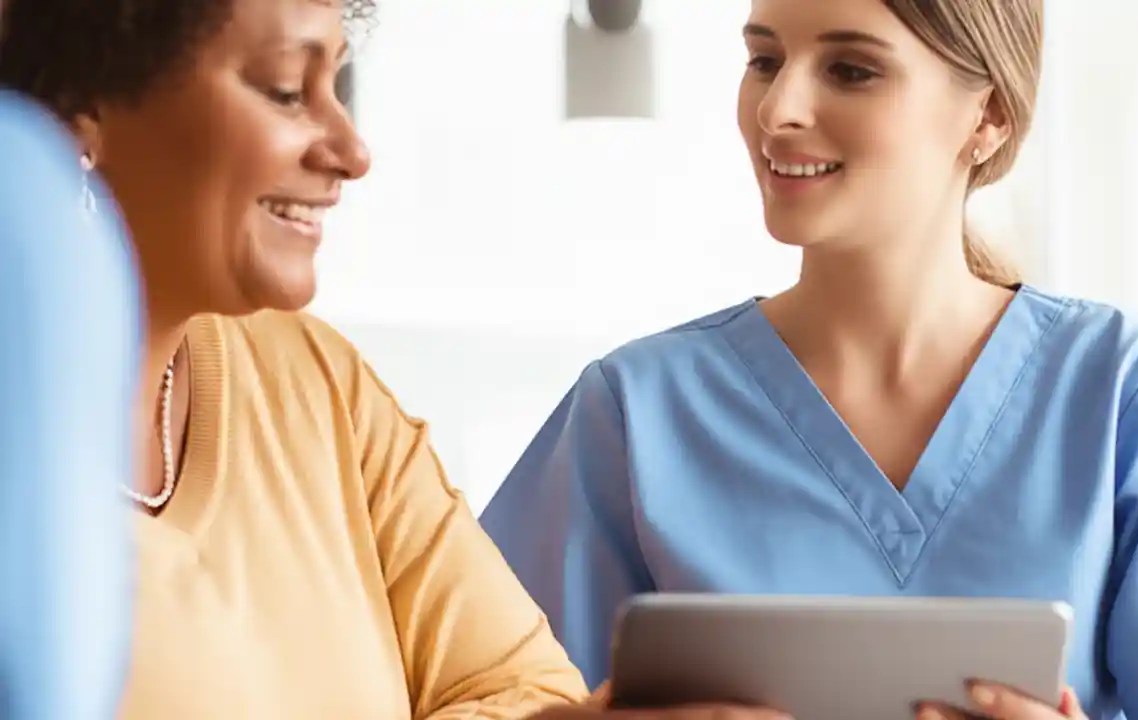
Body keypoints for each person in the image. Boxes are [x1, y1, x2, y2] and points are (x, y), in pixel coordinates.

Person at [479, 1, 1138, 718]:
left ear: (989, 116)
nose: (779, 109)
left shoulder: (1122, 390)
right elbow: (485, 694)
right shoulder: (633, 411)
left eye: (851, 70)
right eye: (764, 60)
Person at [0, 3, 791, 719]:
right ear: (77, 114)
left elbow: (521, 689)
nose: (350, 150)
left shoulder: (315, 382)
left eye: (337, 83)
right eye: (285, 90)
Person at [0, 90, 139, 720]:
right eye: (282, 91)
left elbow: (485, 675)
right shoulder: (22, 192)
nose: (352, 155)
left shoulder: (333, 387)